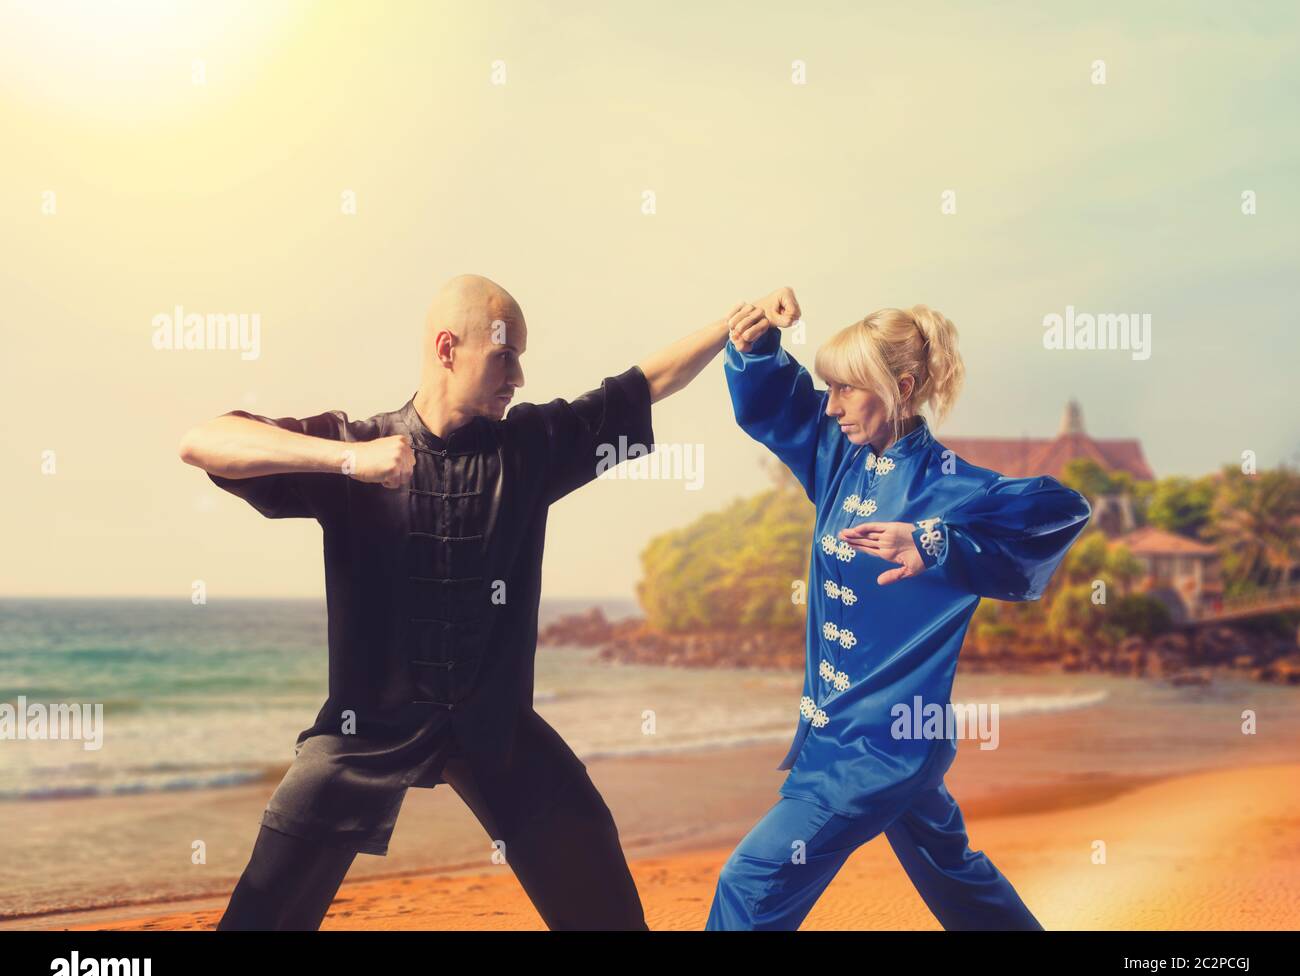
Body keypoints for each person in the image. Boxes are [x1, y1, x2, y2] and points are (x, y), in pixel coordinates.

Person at [180, 273, 796, 930]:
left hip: (497, 731)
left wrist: (735, 322)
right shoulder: (355, 447)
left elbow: (647, 383)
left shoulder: (530, 447)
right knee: (261, 916)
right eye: (505, 356)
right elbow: (205, 441)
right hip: (364, 733)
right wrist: (347, 462)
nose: (519, 377)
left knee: (599, 883)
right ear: (448, 348)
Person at [707, 296, 1092, 930]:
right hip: (874, 735)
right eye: (830, 387)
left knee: (751, 881)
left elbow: (1063, 510)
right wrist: (757, 345)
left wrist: (936, 541)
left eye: (846, 389)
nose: (831, 406)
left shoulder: (955, 487)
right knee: (955, 874)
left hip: (874, 750)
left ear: (902, 389)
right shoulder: (838, 457)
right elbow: (780, 404)